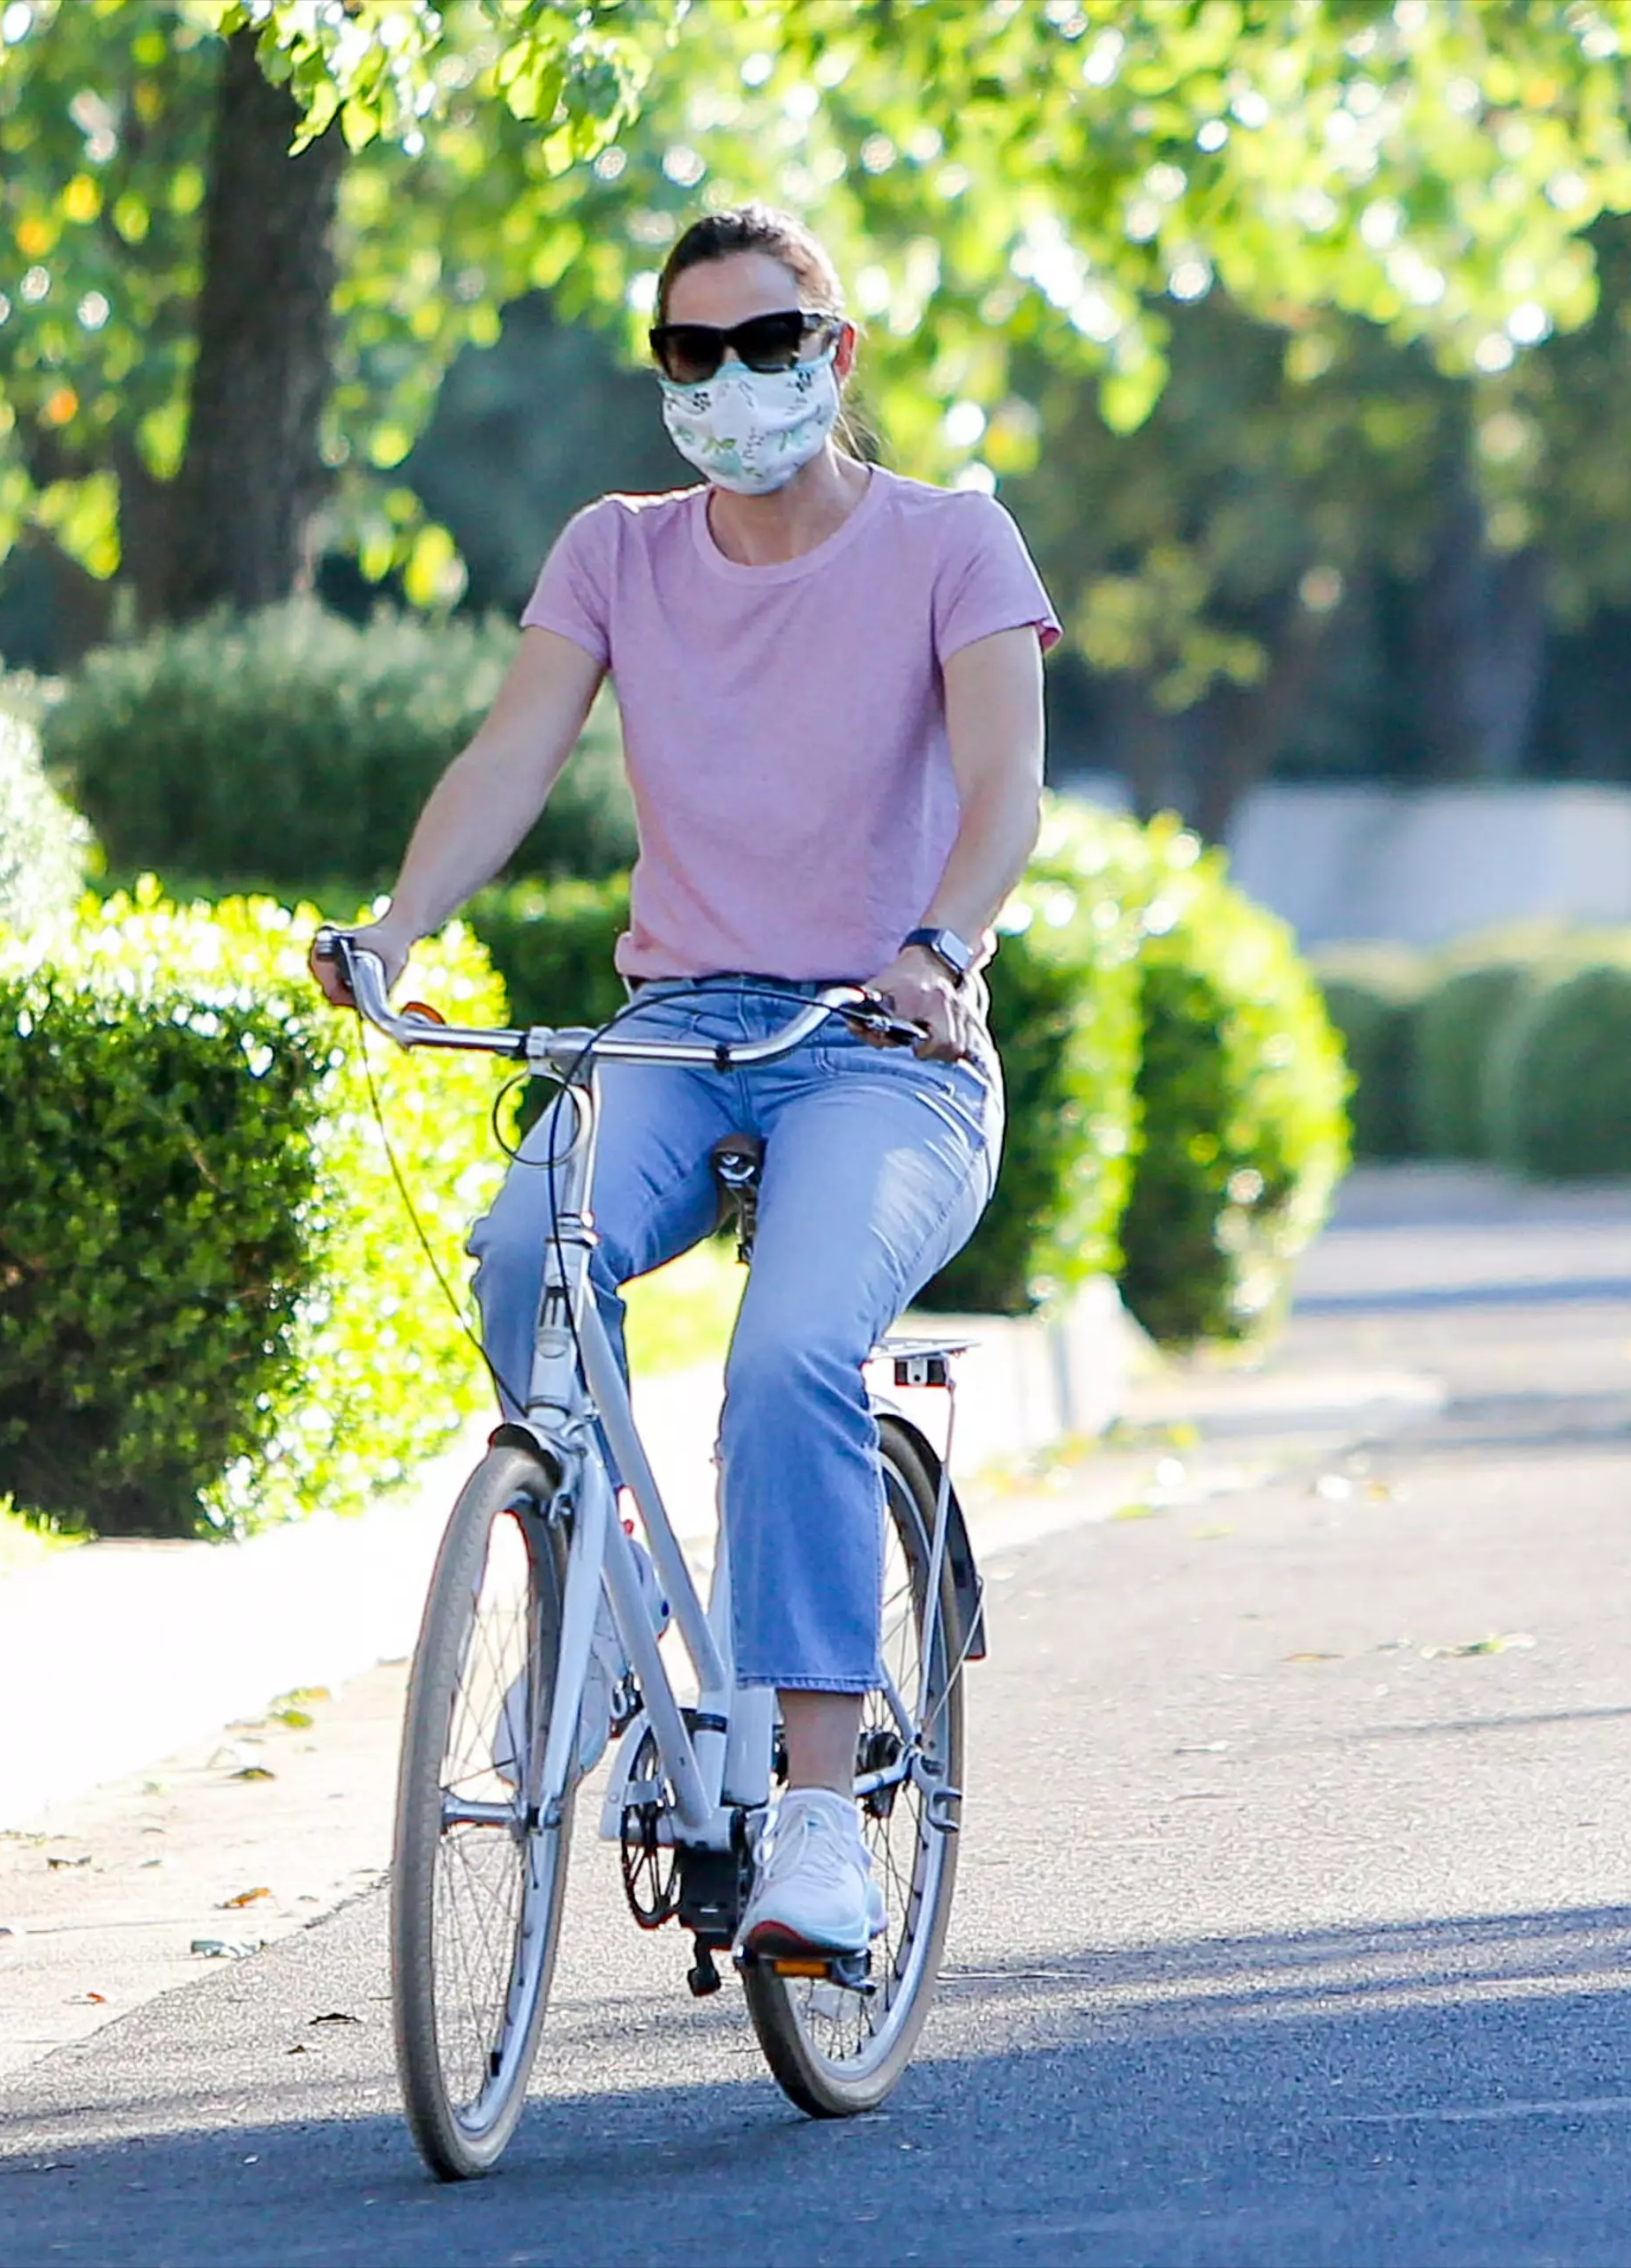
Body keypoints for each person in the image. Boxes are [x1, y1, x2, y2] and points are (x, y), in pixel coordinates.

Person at [313, 203, 1057, 1957]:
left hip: (883, 1047)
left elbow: (1005, 784)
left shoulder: (955, 543)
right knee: (520, 1251)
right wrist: (399, 930)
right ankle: (584, 1645)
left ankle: (811, 1814)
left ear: (838, 349)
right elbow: (512, 753)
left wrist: (940, 946)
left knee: (792, 1349)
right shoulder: (617, 554)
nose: (731, 380)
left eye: (767, 341)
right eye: (690, 351)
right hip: (684, 1025)